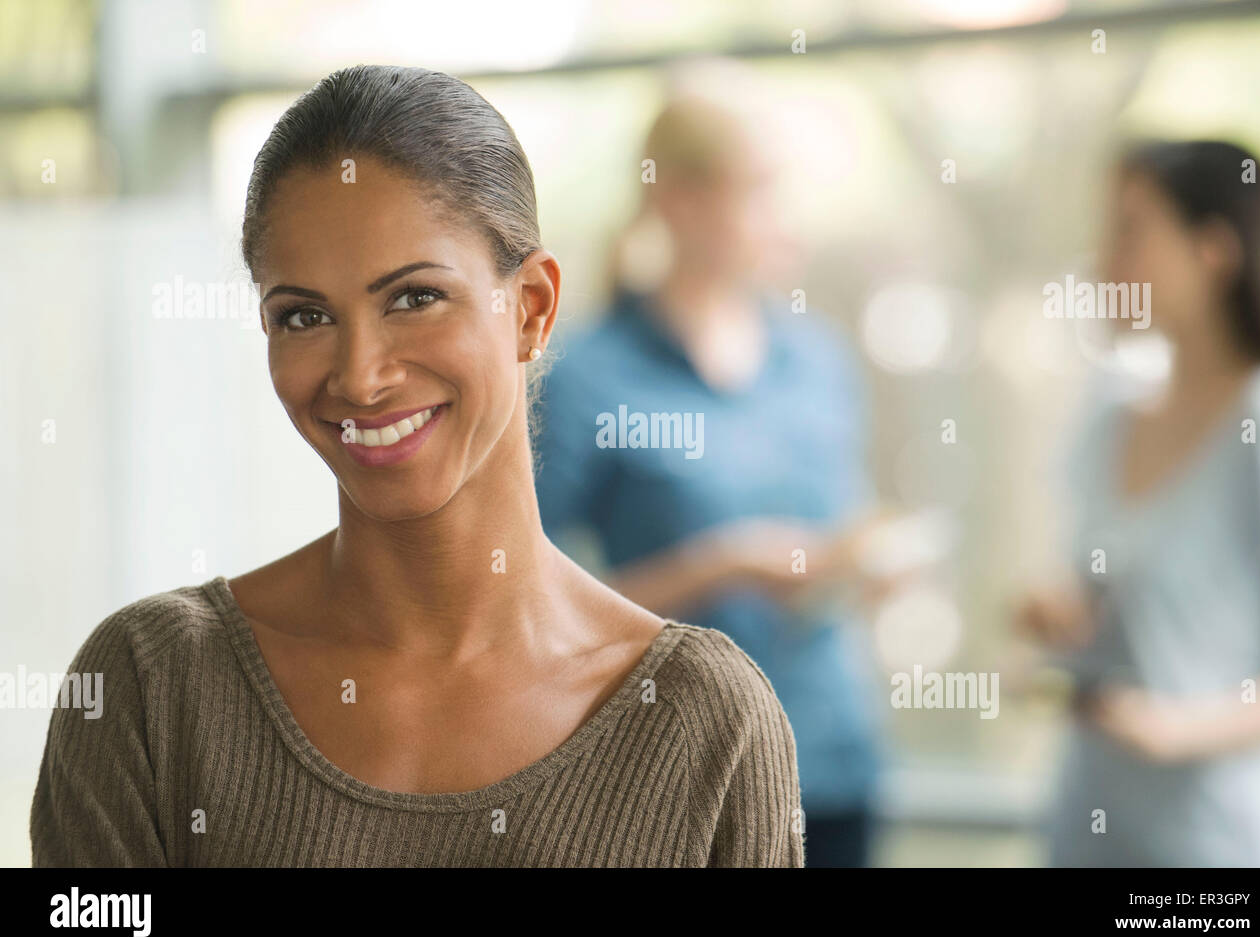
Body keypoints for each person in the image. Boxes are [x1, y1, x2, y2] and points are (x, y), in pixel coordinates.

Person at [30, 65, 803, 867]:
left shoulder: (706, 724)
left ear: (530, 309)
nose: (359, 376)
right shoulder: (152, 689)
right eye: (304, 316)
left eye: (413, 298)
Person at [534, 88, 888, 867]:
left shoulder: (817, 361)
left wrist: (865, 566)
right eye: (757, 189)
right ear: (679, 200)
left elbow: (843, 527)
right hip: (676, 774)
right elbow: (534, 593)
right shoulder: (590, 374)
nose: (779, 216)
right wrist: (719, 568)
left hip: (830, 759)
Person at [1017, 140, 1260, 866]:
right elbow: (1107, 595)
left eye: (1131, 228)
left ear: (1214, 251)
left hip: (1214, 843)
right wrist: (1061, 614)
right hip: (1087, 822)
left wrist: (1181, 726)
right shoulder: (1110, 409)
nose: (1105, 257)